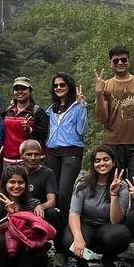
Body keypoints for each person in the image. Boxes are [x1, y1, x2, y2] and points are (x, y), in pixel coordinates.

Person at [62, 146, 131, 267]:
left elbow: (115, 220)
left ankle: (107, 260)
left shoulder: (122, 186)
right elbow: (74, 213)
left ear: (113, 162)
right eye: (97, 161)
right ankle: (85, 260)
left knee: (121, 234)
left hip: (107, 228)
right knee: (68, 241)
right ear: (93, 164)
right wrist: (78, 238)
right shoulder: (83, 183)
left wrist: (113, 194)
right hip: (86, 226)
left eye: (106, 159)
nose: (102, 163)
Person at [93, 46, 134, 179]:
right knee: (115, 183)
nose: (120, 63)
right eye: (116, 61)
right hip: (112, 143)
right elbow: (102, 118)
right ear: (110, 63)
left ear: (129, 61)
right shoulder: (106, 85)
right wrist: (99, 94)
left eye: (123, 59)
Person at [45, 73, 88, 212]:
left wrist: (81, 106)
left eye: (62, 85)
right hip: (51, 152)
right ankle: (53, 222)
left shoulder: (77, 106)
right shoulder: (51, 108)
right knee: (52, 191)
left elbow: (82, 130)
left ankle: (66, 223)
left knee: (64, 191)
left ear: (69, 87)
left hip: (71, 151)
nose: (58, 87)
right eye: (56, 85)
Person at [18, 139, 63, 237]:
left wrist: (41, 206)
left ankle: (57, 245)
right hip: (20, 212)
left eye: (36, 154)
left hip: (40, 213)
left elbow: (52, 200)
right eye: (29, 154)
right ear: (21, 156)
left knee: (53, 213)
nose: (33, 158)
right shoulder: (16, 172)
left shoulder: (48, 173)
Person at [3, 78, 49, 163]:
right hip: (8, 160)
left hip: (30, 161)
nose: (19, 92)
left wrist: (30, 130)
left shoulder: (37, 112)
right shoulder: (8, 111)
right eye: (17, 89)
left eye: (23, 89)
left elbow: (44, 135)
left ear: (30, 91)